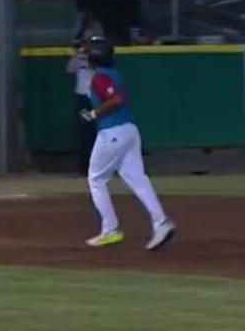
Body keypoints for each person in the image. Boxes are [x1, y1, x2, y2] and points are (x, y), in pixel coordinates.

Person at [78, 36, 176, 251]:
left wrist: (94, 113)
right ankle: (160, 222)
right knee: (138, 179)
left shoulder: (100, 77)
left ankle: (110, 229)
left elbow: (115, 101)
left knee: (96, 179)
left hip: (112, 132)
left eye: (87, 52)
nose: (84, 55)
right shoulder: (113, 74)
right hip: (129, 131)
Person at [66, 39, 96, 177]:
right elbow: (69, 69)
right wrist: (77, 55)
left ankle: (99, 164)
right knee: (84, 131)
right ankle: (85, 165)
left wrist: (87, 56)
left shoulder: (97, 58)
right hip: (83, 98)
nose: (82, 48)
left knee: (96, 131)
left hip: (95, 99)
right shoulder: (77, 60)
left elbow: (94, 67)